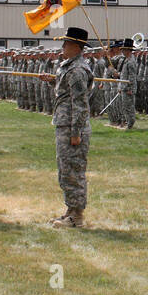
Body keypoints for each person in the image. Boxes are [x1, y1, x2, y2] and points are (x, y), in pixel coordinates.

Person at [42, 26, 94, 228]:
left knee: (73, 170)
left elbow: (80, 103)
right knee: (65, 170)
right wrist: (51, 82)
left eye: (67, 43)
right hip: (64, 123)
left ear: (76, 46)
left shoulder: (78, 70)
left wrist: (76, 132)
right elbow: (65, 93)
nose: (63, 46)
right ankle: (70, 210)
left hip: (73, 127)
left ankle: (77, 216)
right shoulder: (68, 66)